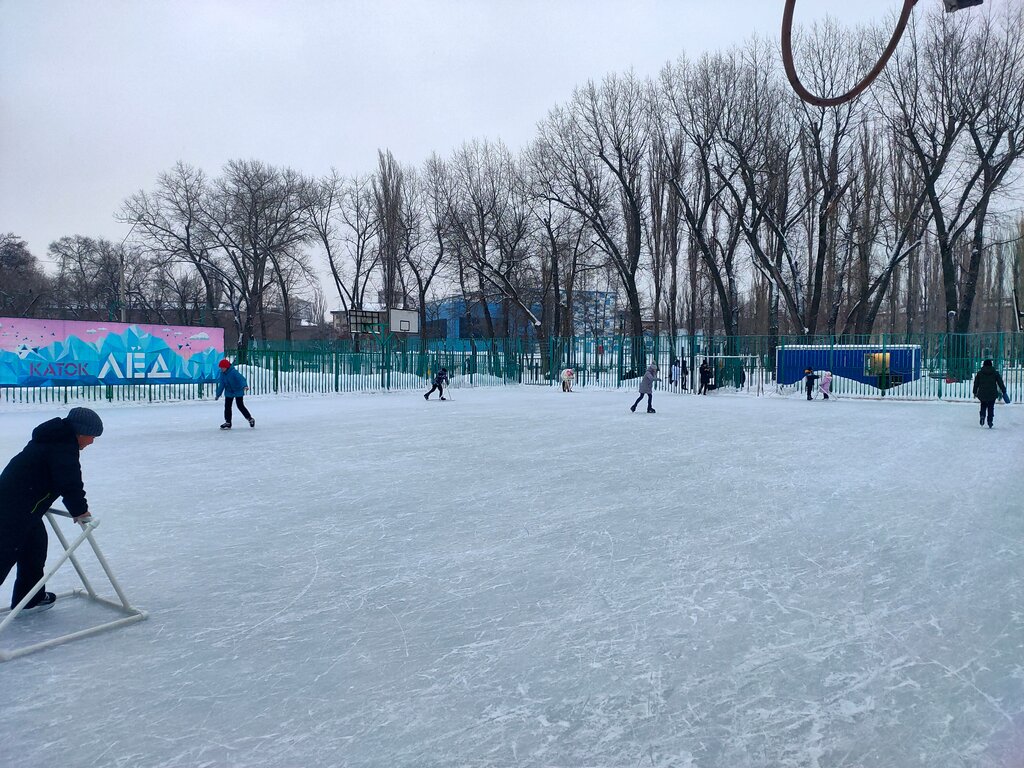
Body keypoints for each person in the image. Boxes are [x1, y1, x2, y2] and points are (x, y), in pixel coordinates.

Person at [0, 407, 102, 614]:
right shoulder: (62, 447)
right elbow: (69, 482)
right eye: (91, 436)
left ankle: (30, 598)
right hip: (15, 508)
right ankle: (30, 598)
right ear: (80, 432)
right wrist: (80, 511)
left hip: (23, 504)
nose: (92, 442)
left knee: (34, 548)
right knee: (4, 554)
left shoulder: (54, 438)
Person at [215, 358, 254, 429]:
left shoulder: (233, 372)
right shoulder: (222, 374)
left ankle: (250, 419)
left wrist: (244, 386)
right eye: (220, 368)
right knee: (227, 407)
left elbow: (241, 379)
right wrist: (218, 394)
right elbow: (222, 385)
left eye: (222, 368)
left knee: (240, 406)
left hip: (238, 390)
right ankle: (228, 422)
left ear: (226, 367)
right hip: (229, 392)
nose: (221, 369)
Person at [973, 358, 1007, 428]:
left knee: (983, 405)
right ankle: (990, 421)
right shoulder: (995, 373)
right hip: (992, 393)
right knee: (991, 407)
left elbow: (976, 383)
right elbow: (1000, 382)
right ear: (991, 365)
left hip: (982, 393)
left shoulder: (980, 373)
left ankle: (982, 416)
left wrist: (975, 391)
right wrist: (1003, 390)